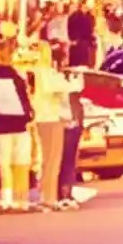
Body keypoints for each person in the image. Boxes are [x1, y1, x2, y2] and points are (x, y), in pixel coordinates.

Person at [0, 31, 38, 213]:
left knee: (5, 164)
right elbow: (26, 100)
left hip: (1, 125)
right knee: (22, 163)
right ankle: (21, 200)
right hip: (20, 124)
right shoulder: (16, 76)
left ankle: (6, 199)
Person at [30, 41, 79, 210]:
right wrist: (77, 80)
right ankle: (48, 198)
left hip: (44, 118)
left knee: (47, 160)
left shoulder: (38, 72)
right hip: (50, 118)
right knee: (52, 160)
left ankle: (47, 196)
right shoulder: (45, 72)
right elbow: (63, 87)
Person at [55, 45, 84, 210]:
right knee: (67, 161)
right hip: (68, 122)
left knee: (62, 160)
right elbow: (75, 97)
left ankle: (63, 193)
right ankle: (64, 193)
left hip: (63, 121)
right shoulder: (69, 80)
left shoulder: (64, 77)